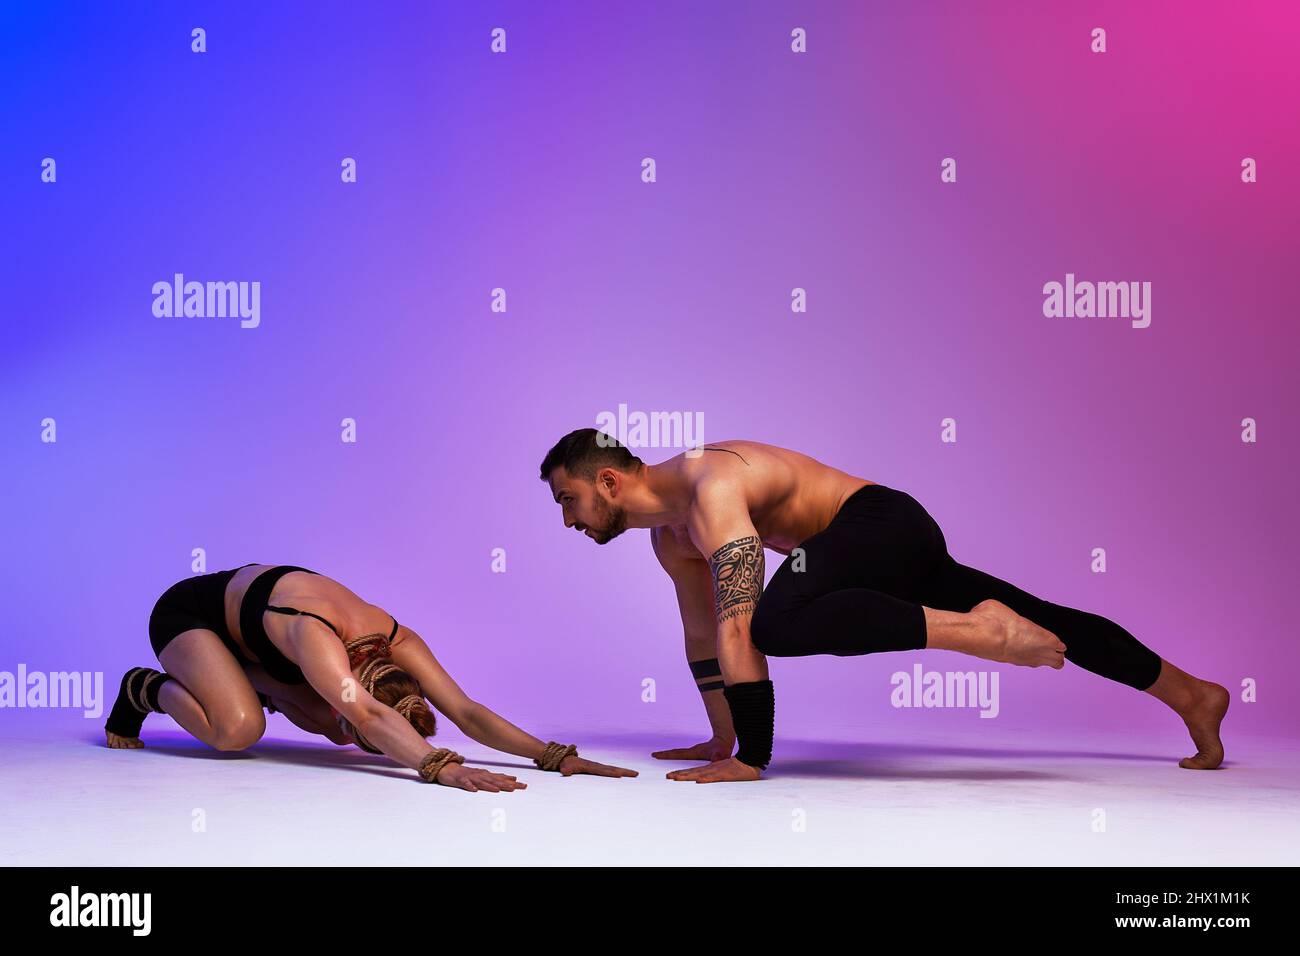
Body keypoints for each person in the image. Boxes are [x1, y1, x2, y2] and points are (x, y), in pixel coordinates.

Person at [539, 429, 1230, 783]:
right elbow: (701, 637)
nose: (568, 520)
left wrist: (751, 756)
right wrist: (721, 737)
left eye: (568, 500)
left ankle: (979, 633)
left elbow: (742, 625)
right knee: (1045, 615)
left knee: (773, 618)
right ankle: (1194, 696)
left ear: (606, 480)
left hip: (879, 524)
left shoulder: (710, 484)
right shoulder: (670, 539)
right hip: (859, 553)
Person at [105, 562, 638, 791]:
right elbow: (362, 712)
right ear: (355, 679)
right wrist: (437, 767)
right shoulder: (314, 637)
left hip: (260, 645)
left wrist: (552, 755)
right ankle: (145, 689)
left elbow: (468, 711)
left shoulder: (399, 639)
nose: (350, 728)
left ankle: (249, 678)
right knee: (238, 731)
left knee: (333, 731)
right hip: (191, 618)